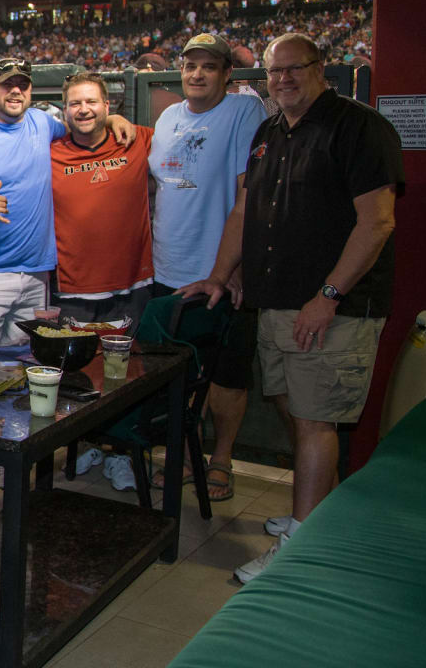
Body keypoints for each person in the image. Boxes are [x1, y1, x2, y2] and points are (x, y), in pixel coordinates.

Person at [180, 32, 400, 583]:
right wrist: (221, 274)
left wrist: (328, 297)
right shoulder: (269, 131)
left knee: (313, 418)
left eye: (293, 69)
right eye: (274, 72)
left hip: (331, 308)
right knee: (290, 403)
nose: (282, 79)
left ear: (320, 69)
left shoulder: (358, 126)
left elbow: (377, 221)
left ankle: (300, 552)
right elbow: (244, 212)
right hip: (274, 301)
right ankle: (317, 521)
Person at [0, 57, 134, 360]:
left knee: (27, 367)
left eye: (22, 84)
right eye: (6, 84)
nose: (15, 90)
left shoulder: (41, 123)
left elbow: (80, 126)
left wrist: (112, 119)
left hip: (37, 277)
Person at [148, 34, 266, 502]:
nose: (197, 74)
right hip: (168, 267)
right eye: (190, 65)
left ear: (226, 74)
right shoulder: (169, 116)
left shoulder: (243, 112)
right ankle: (180, 452)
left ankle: (221, 459)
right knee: (174, 373)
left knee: (226, 377)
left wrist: (231, 265)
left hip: (222, 272)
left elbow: (249, 197)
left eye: (209, 67)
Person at [49, 72, 155, 323]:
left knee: (131, 362)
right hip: (72, 292)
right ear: (65, 110)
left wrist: (114, 120)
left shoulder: (136, 139)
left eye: (91, 102)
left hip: (134, 288)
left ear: (106, 106)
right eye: (75, 104)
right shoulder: (49, 151)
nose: (84, 110)